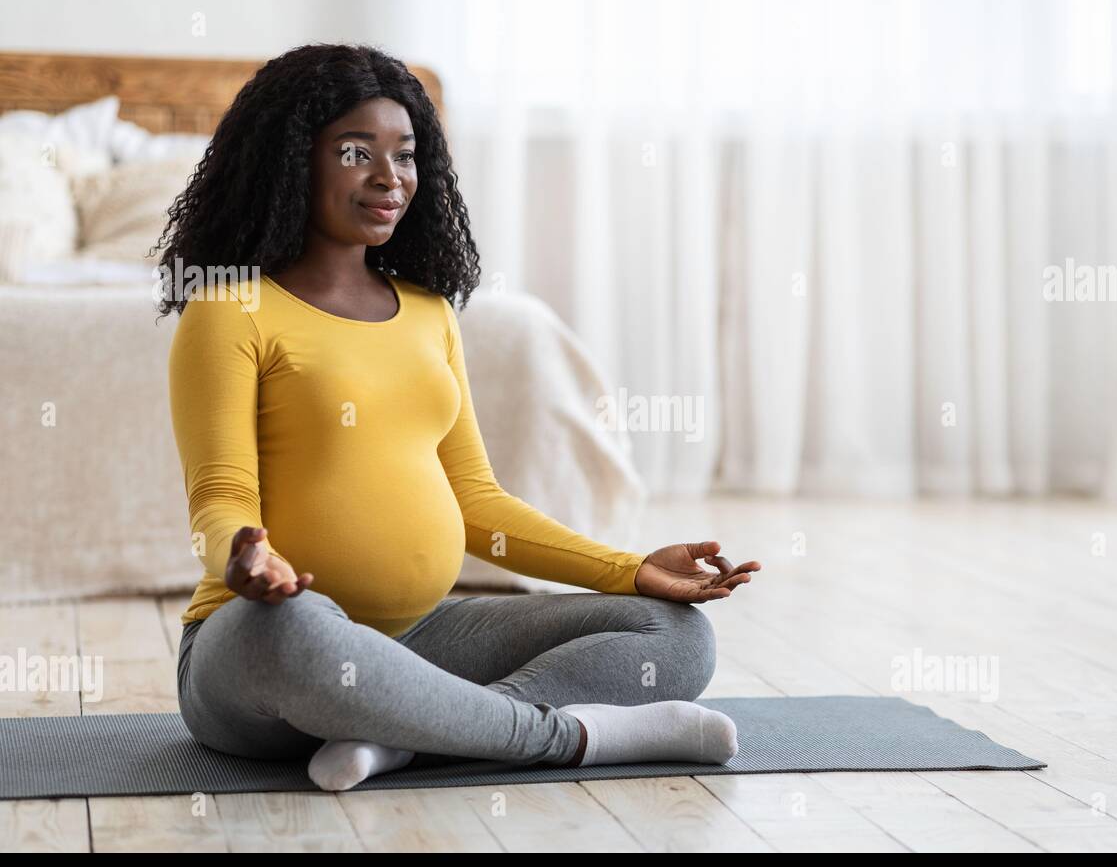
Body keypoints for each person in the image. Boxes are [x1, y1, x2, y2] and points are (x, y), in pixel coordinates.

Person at [155, 43, 761, 791]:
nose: (388, 178)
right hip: (261, 652)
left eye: (405, 155)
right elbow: (220, 499)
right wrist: (242, 555)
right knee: (295, 630)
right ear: (290, 160)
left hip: (422, 640)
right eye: (355, 153)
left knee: (671, 634)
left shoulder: (429, 311)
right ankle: (565, 739)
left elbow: (477, 503)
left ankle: (402, 739)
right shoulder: (230, 311)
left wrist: (630, 569)